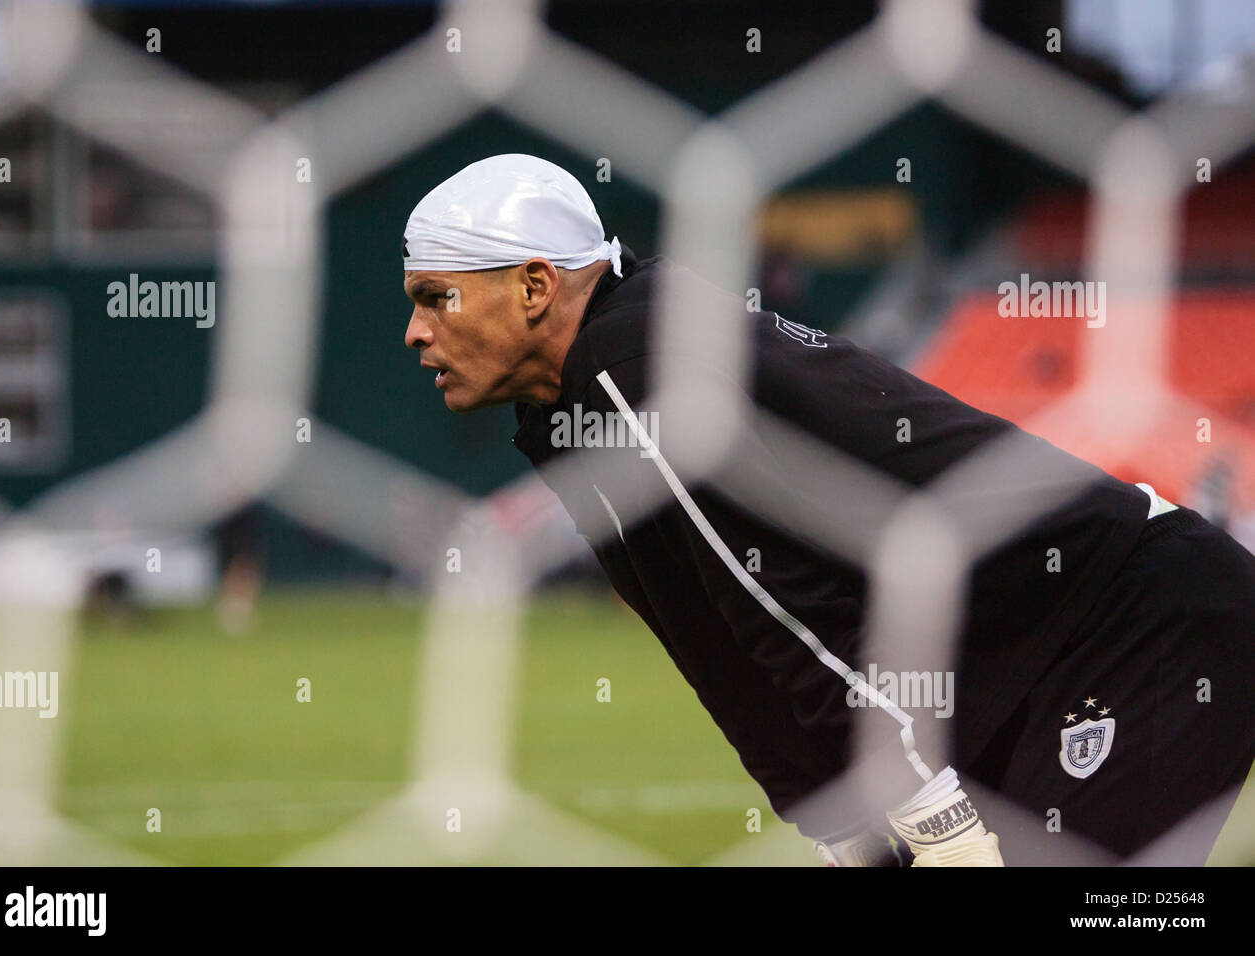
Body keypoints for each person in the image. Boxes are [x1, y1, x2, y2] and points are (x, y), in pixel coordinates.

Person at [402, 153, 1255, 866]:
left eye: (436, 296)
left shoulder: (637, 357)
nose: (414, 331)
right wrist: (842, 824)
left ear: (535, 286)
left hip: (1139, 621)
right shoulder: (570, 407)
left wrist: (936, 828)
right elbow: (709, 636)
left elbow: (783, 608)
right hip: (1021, 667)